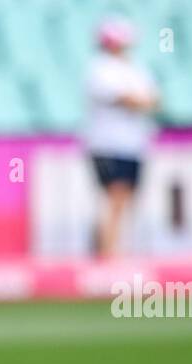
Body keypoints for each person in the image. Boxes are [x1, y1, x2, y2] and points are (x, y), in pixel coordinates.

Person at [83, 18, 159, 257]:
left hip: (132, 144)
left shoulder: (134, 68)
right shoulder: (100, 68)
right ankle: (107, 252)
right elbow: (129, 99)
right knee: (116, 197)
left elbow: (151, 100)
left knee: (125, 200)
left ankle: (112, 247)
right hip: (108, 144)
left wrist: (139, 101)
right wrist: (139, 101)